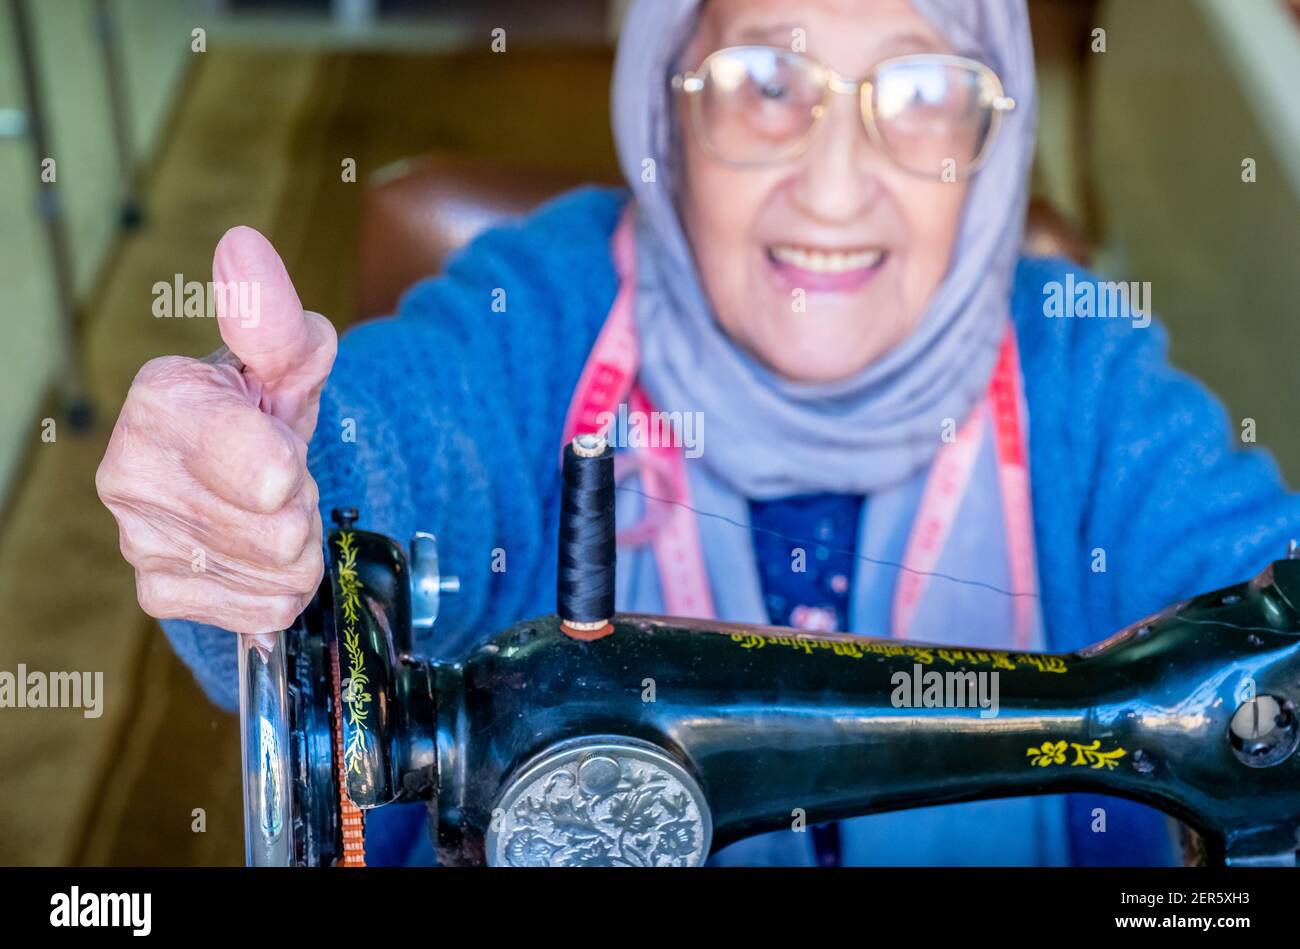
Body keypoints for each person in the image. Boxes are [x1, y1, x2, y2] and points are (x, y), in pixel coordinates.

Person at [95, 0, 1300, 866]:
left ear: (992, 138)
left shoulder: (1077, 372)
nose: (834, 185)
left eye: (923, 92)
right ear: (666, 105)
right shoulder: (539, 316)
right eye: (763, 83)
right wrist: (267, 502)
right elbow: (382, 471)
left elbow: (1259, 604)